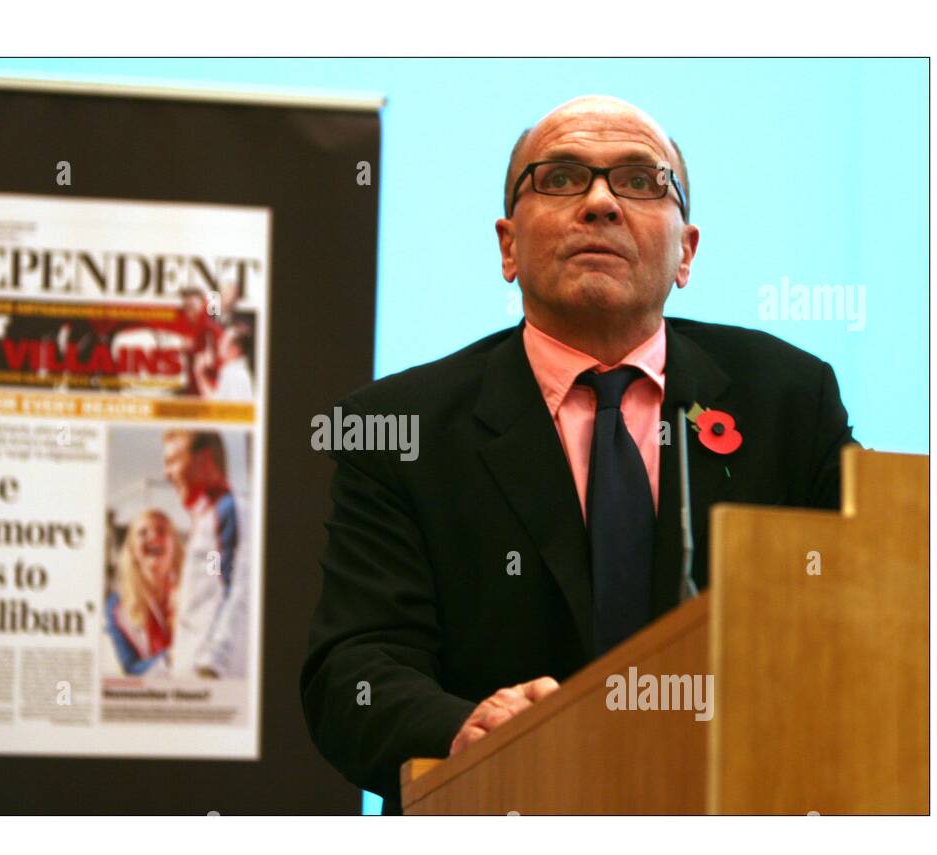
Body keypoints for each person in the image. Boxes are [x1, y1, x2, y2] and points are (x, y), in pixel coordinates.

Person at [300, 94, 858, 813]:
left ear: (686, 251)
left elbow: (865, 609)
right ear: (507, 245)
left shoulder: (789, 398)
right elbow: (354, 667)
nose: (599, 202)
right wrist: (464, 729)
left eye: (639, 180)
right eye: (560, 178)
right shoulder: (400, 427)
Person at [163, 430, 249, 679]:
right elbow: (215, 585)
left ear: (204, 461)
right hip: (190, 674)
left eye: (172, 461)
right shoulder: (206, 516)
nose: (166, 473)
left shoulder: (228, 509)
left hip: (207, 678)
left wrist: (211, 665)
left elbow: (235, 589)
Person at [105, 508, 182, 676]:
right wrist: (171, 657)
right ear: (132, 549)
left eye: (161, 531)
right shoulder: (117, 607)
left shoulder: (194, 595)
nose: (153, 536)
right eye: (142, 532)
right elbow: (131, 669)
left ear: (174, 546)